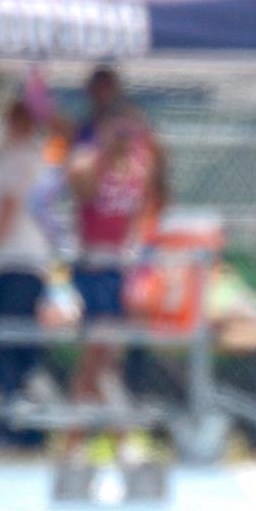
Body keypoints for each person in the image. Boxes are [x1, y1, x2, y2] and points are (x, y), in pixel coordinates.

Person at [66, 99, 168, 441]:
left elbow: (145, 210)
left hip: (117, 271)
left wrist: (133, 254)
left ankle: (93, 437)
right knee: (97, 353)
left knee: (106, 357)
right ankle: (99, 436)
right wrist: (104, 152)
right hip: (92, 268)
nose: (124, 138)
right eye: (118, 130)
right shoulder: (89, 163)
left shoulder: (139, 169)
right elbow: (81, 186)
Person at [0, 98, 53, 440]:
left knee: (3, 341)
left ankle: (13, 423)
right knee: (20, 343)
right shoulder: (40, 161)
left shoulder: (19, 160)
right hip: (32, 262)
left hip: (15, 261)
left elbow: (8, 209)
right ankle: (21, 423)